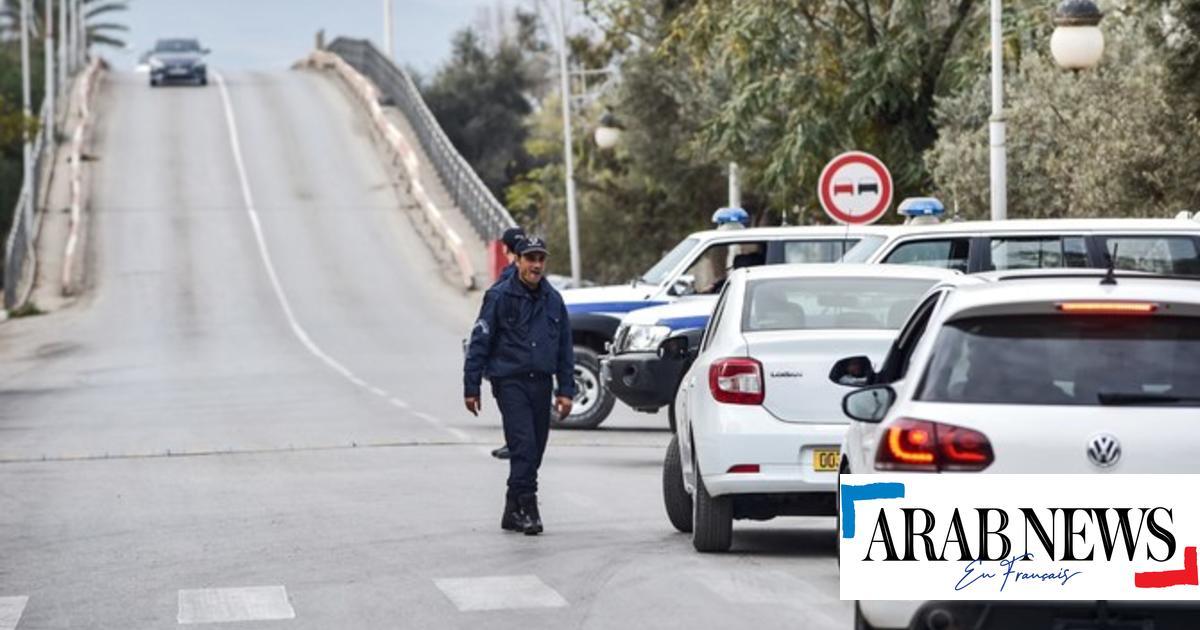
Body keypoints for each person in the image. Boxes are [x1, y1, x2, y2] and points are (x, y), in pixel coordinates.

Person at [463, 237, 575, 536]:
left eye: (540, 259)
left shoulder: (553, 300)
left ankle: (511, 509)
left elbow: (565, 348)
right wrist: (471, 386)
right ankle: (528, 508)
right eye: (530, 259)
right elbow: (480, 340)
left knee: (535, 449)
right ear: (518, 261)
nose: (536, 265)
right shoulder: (499, 296)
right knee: (523, 445)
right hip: (510, 381)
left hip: (541, 384)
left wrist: (566, 390)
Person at [489, 226, 526, 460]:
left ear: (505, 248)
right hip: (526, 349)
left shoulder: (508, 276)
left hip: (508, 349)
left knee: (510, 401)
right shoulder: (532, 275)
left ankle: (515, 444)